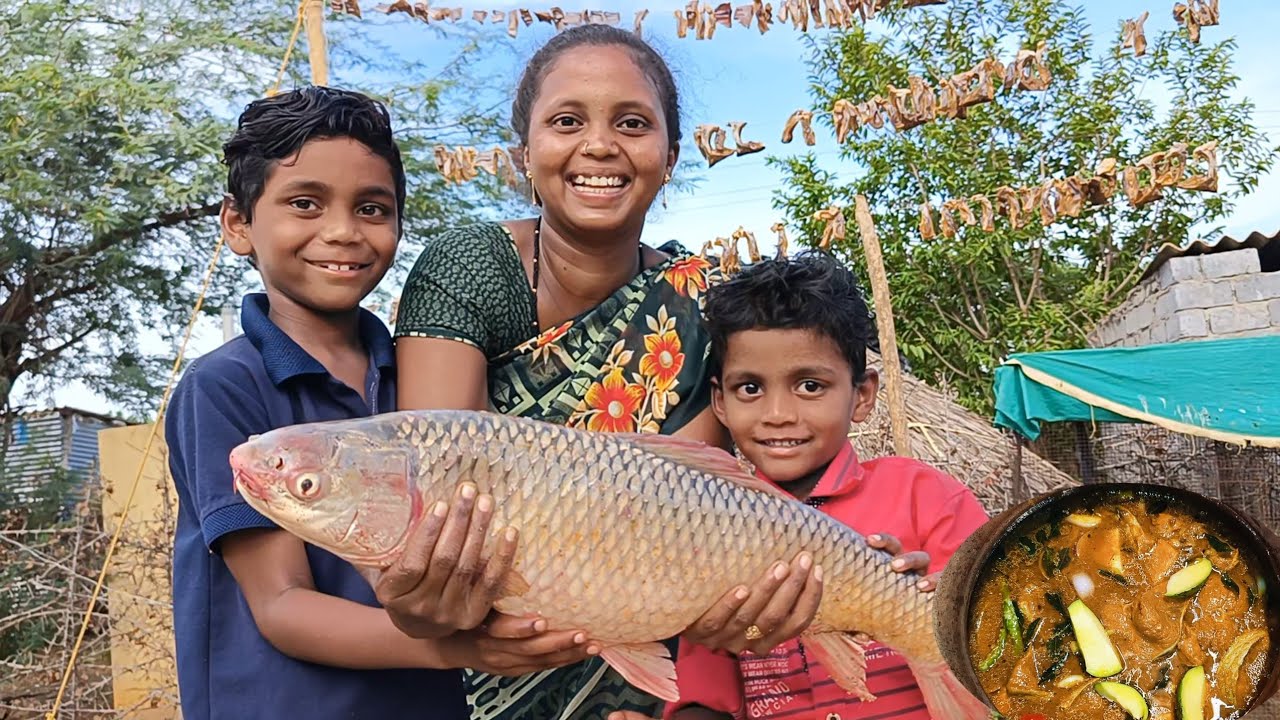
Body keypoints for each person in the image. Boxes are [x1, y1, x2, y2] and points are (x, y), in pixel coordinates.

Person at [387, 24, 933, 720]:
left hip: (669, 665)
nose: (600, 145)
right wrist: (429, 600)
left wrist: (843, 566)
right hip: (495, 655)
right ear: (525, 152)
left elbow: (703, 502)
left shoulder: (700, 300)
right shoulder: (469, 266)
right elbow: (438, 486)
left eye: (633, 123)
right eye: (566, 121)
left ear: (671, 156)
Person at [166, 86, 500, 719]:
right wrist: (464, 648)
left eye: (372, 208)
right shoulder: (223, 386)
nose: (343, 232)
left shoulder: (422, 374)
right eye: (305, 203)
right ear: (239, 224)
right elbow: (283, 606)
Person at [654, 252, 990, 720]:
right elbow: (703, 694)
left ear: (862, 395)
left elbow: (1003, 632)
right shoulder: (710, 529)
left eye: (810, 386)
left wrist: (931, 597)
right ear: (721, 402)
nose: (778, 414)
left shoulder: (926, 498)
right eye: (750, 388)